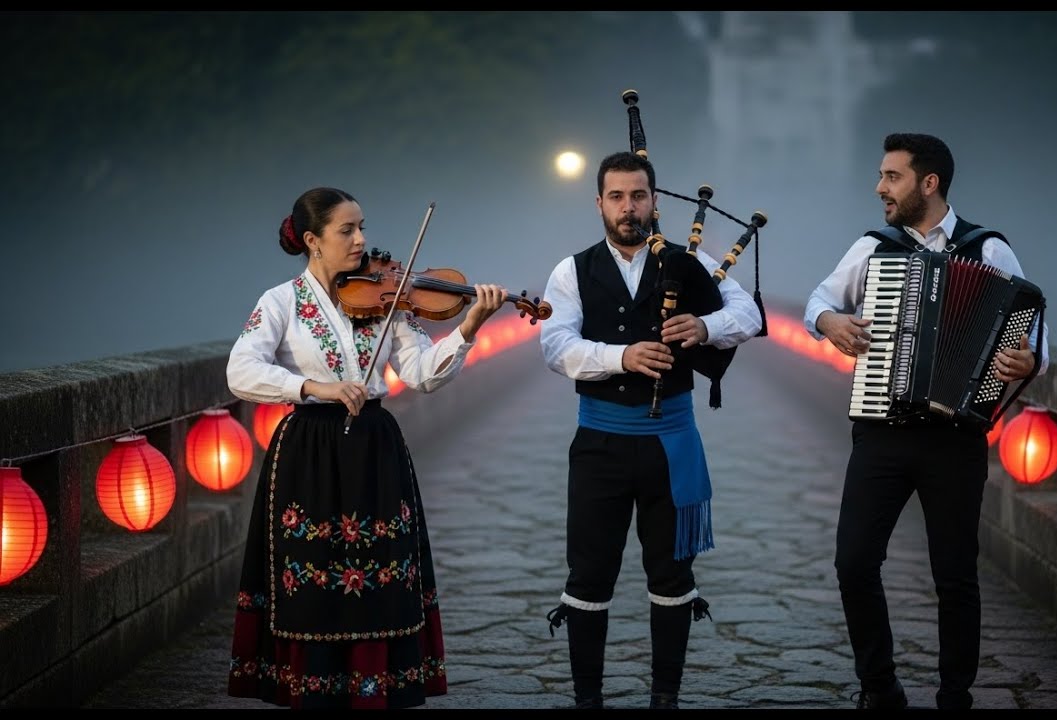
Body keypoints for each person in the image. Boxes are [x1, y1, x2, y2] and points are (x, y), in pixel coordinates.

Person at [224, 186, 506, 709]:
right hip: (308, 450)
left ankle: (376, 689)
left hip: (375, 448)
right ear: (313, 240)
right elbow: (240, 371)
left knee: (381, 578)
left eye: (362, 227)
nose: (362, 240)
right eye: (347, 230)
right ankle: (312, 689)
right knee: (311, 579)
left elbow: (420, 375)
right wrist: (314, 387)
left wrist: (468, 325)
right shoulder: (281, 301)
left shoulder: (386, 299)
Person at [804, 133, 1049, 710]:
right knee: (854, 561)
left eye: (892, 177)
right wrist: (828, 323)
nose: (880, 188)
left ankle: (954, 695)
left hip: (955, 438)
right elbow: (820, 298)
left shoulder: (989, 251)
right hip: (881, 431)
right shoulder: (873, 247)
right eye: (882, 176)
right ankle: (881, 687)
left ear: (928, 182)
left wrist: (1026, 359)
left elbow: (1037, 340)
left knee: (955, 576)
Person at [539, 151, 762, 710]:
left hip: (672, 444)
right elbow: (555, 346)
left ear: (655, 201)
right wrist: (623, 357)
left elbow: (750, 315)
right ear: (599, 203)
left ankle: (666, 698)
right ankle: (588, 700)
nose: (628, 207)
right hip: (600, 445)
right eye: (616, 196)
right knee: (590, 573)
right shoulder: (573, 270)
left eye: (638, 195)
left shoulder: (689, 262)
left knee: (670, 574)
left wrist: (706, 323)